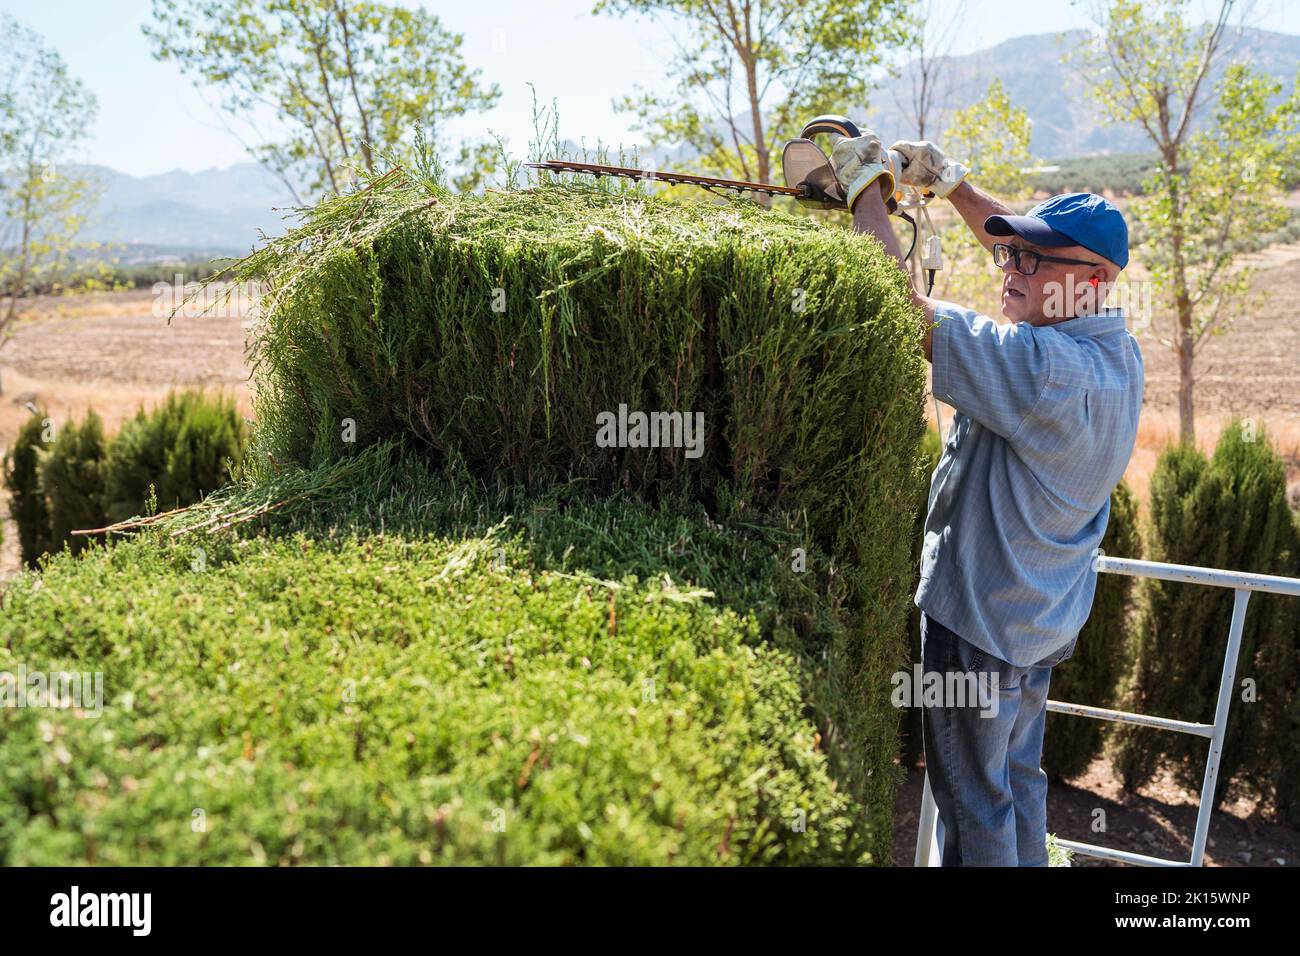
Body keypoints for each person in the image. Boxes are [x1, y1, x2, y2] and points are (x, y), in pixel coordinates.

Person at [830, 131, 1144, 866]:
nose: (1010, 269)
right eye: (1010, 251)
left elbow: (906, 313)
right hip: (1035, 628)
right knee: (1015, 787)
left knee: (972, 808)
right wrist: (954, 186)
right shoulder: (1115, 351)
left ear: (1090, 280)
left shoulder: (1043, 369)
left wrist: (864, 196)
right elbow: (1036, 262)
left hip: (977, 630)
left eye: (1030, 260)